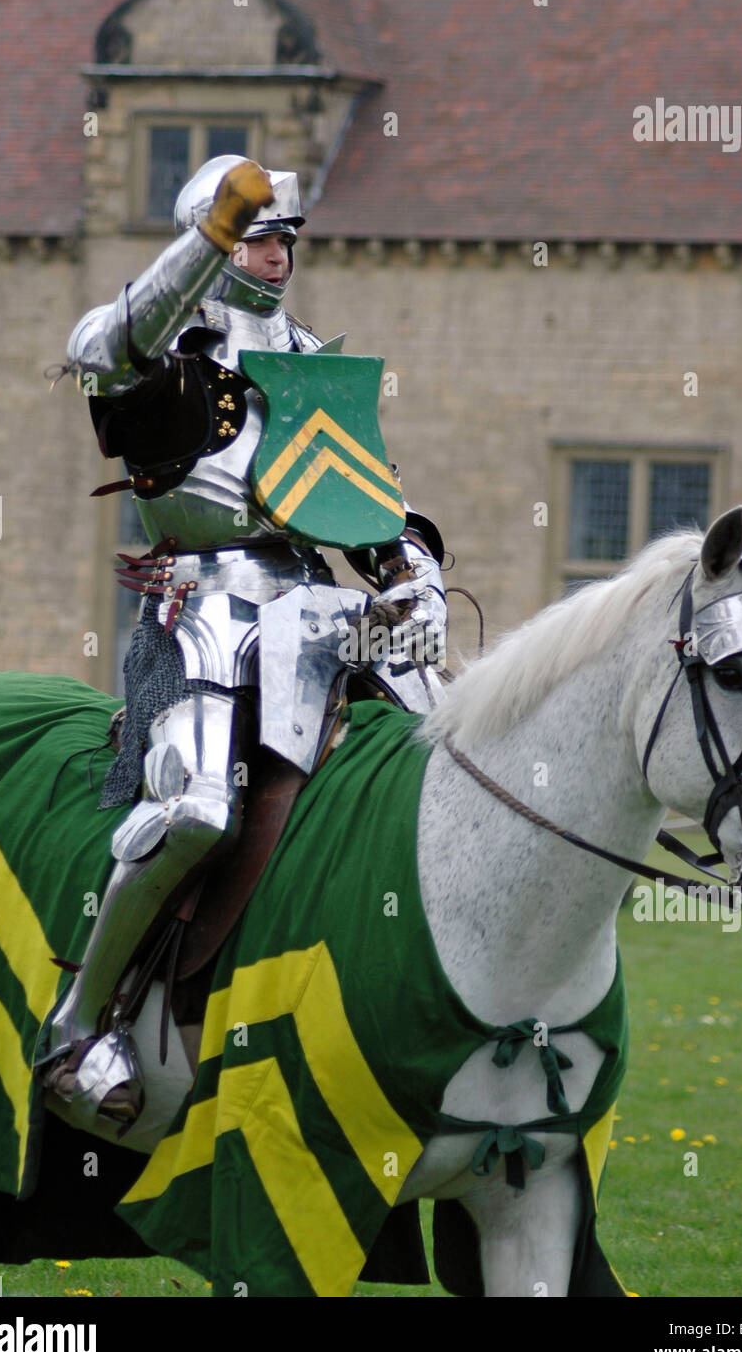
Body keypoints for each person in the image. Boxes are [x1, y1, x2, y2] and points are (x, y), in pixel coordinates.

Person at [38, 156, 449, 1123]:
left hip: (325, 618)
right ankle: (82, 1024)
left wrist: (417, 578)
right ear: (215, 236)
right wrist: (207, 238)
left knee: (444, 768)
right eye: (258, 235)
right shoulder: (161, 358)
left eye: (284, 238)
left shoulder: (312, 363)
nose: (277, 254)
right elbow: (105, 342)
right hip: (205, 612)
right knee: (198, 814)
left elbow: (369, 502)